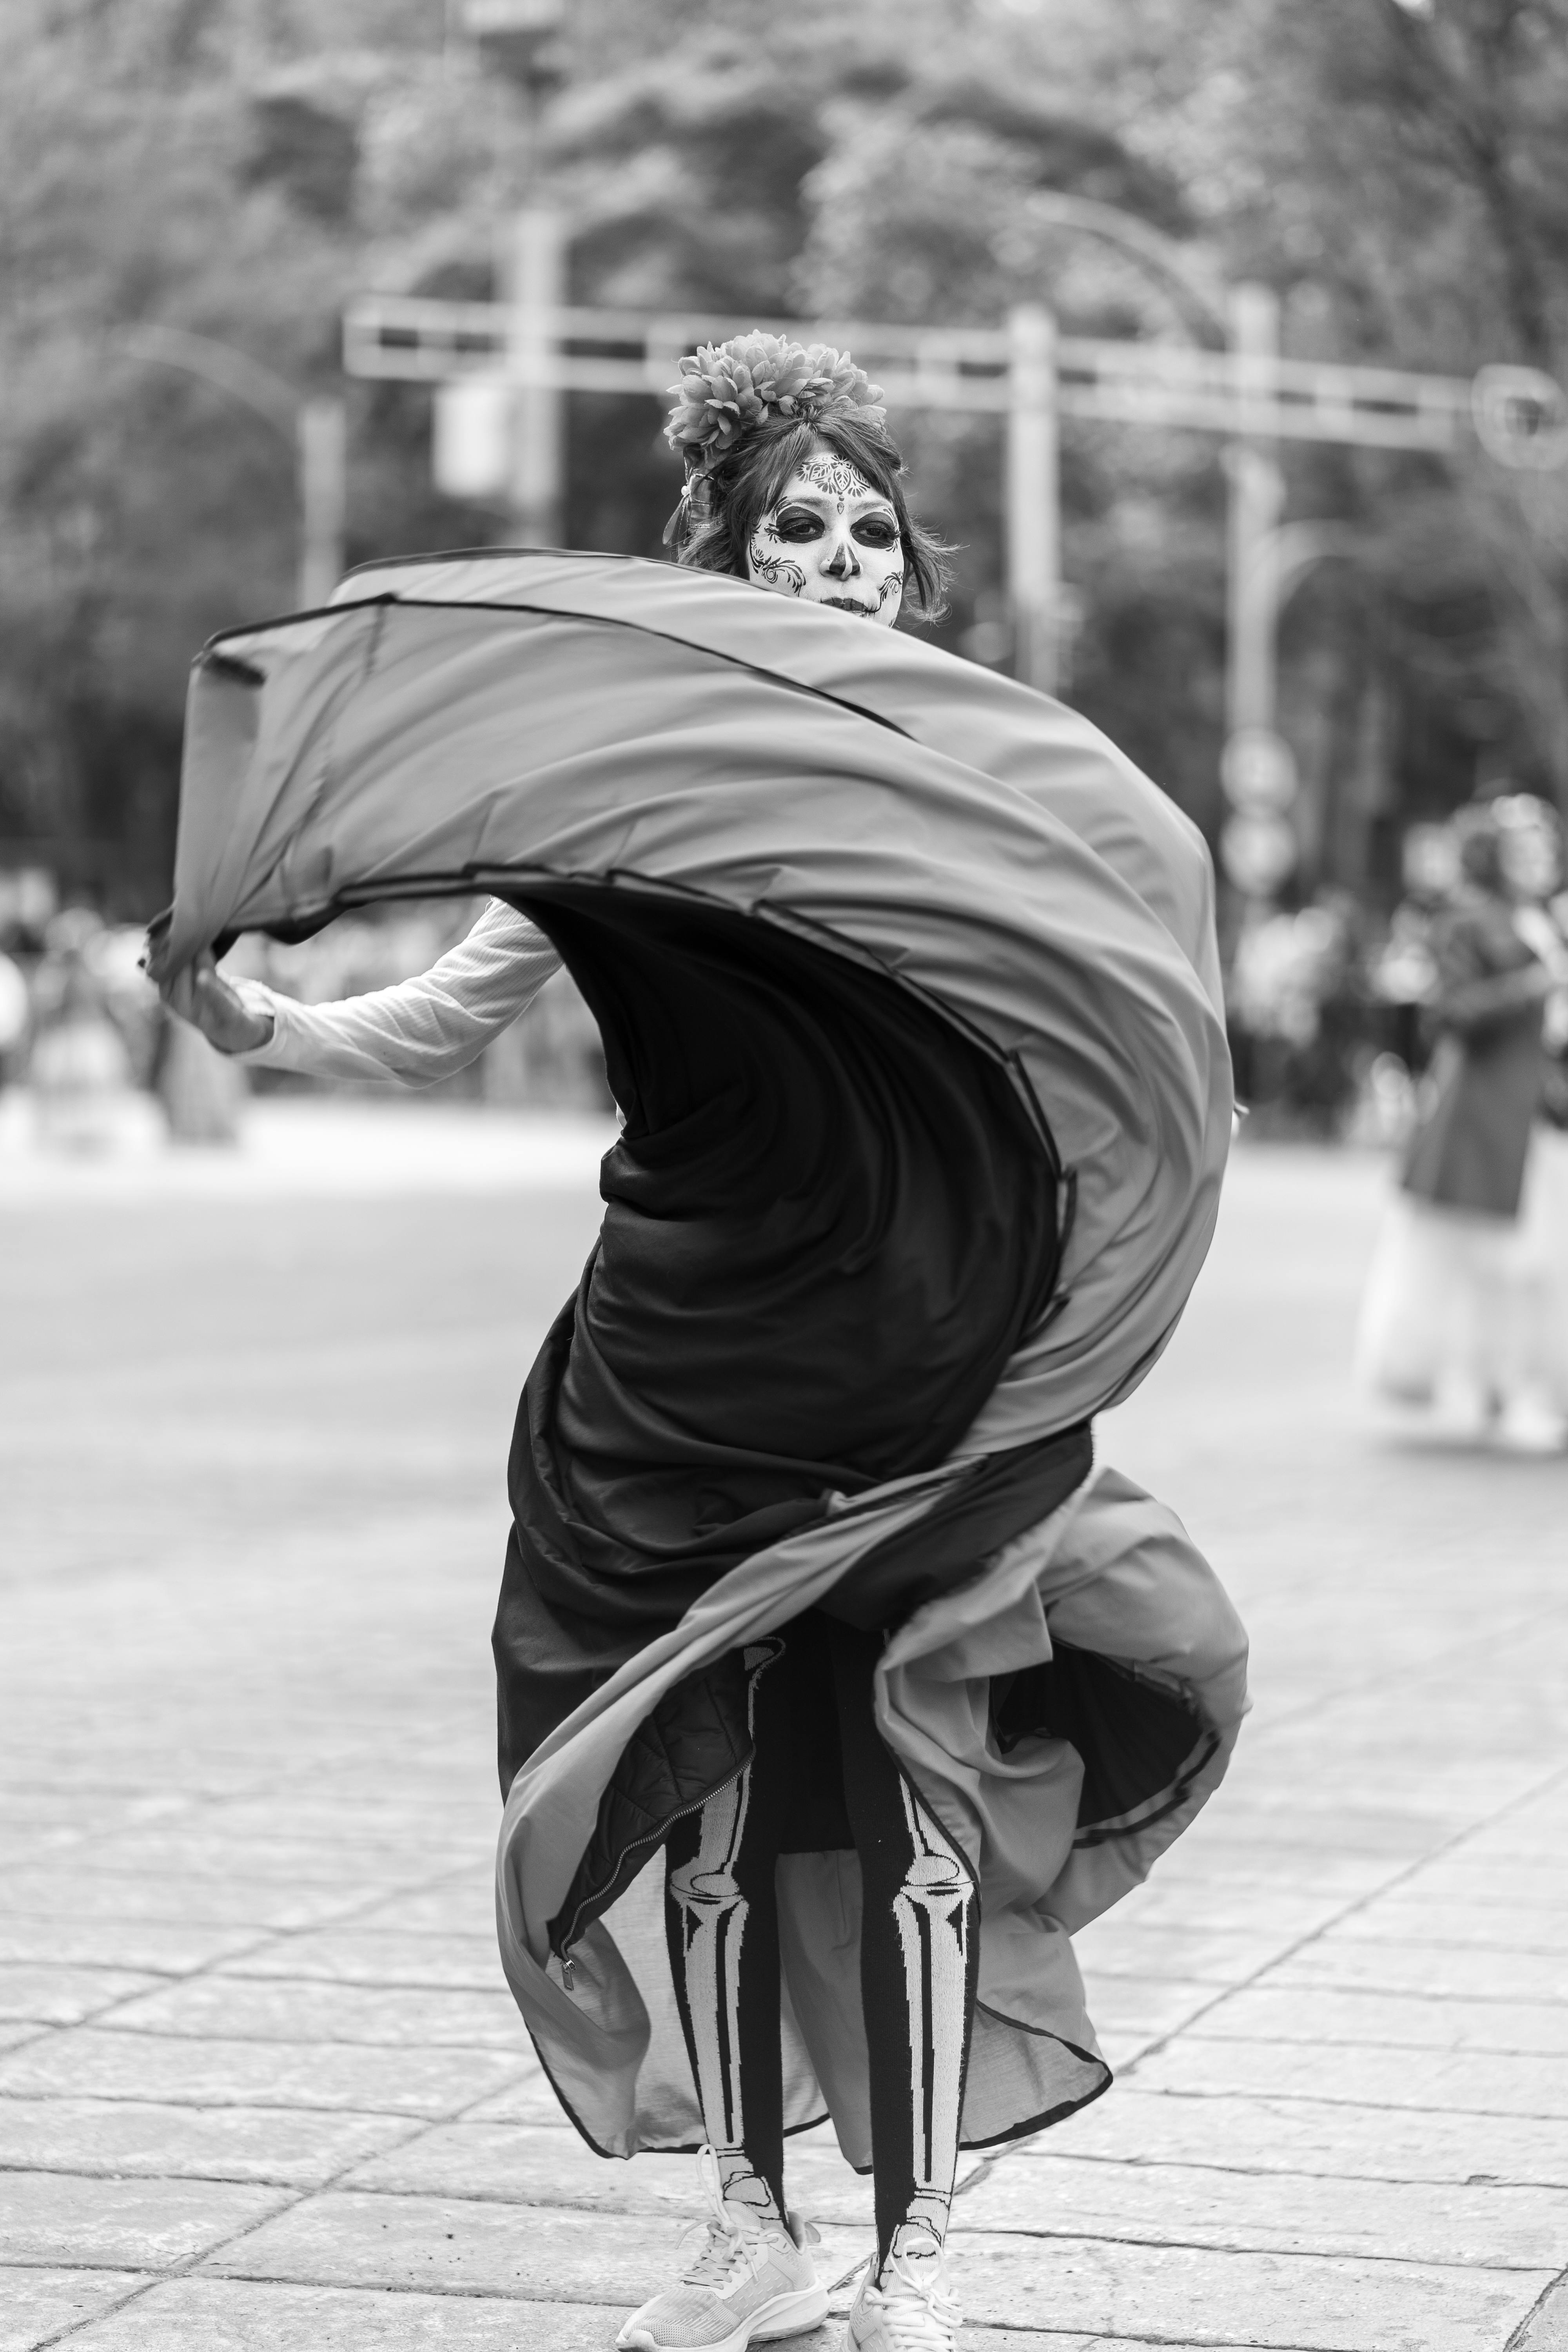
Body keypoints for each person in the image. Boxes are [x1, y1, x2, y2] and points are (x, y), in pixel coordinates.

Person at [159, 332, 1245, 2352]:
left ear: (904, 575)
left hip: (919, 1372)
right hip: (677, 1375)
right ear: (720, 557)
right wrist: (258, 1026)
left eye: (861, 533)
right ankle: (750, 2222)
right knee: (711, 1802)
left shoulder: (995, 784)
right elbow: (440, 1010)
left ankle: (915, 2249)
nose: (831, 557)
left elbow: (1138, 981)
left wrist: (1157, 1161)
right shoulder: (608, 786)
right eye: (790, 528)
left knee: (901, 1792)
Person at [1356, 794, 1567, 1449]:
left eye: (1546, 847)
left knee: (1532, 1262)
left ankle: (1511, 1389)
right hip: (1485, 1110)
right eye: (1523, 849)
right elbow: (1451, 1011)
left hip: (1539, 1108)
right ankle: (1497, 1393)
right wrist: (1535, 987)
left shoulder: (1545, 921)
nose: (1540, 860)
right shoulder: (1470, 919)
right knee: (1497, 1261)